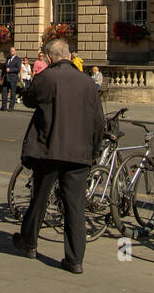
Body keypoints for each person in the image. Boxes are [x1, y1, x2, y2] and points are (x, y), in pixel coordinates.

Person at [13, 38, 105, 274]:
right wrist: (95, 151)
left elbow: (28, 99)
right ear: (69, 55)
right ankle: (75, 260)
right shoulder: (87, 83)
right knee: (75, 207)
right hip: (79, 155)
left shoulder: (46, 78)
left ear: (50, 57)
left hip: (49, 151)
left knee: (39, 199)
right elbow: (98, 122)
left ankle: (28, 243)